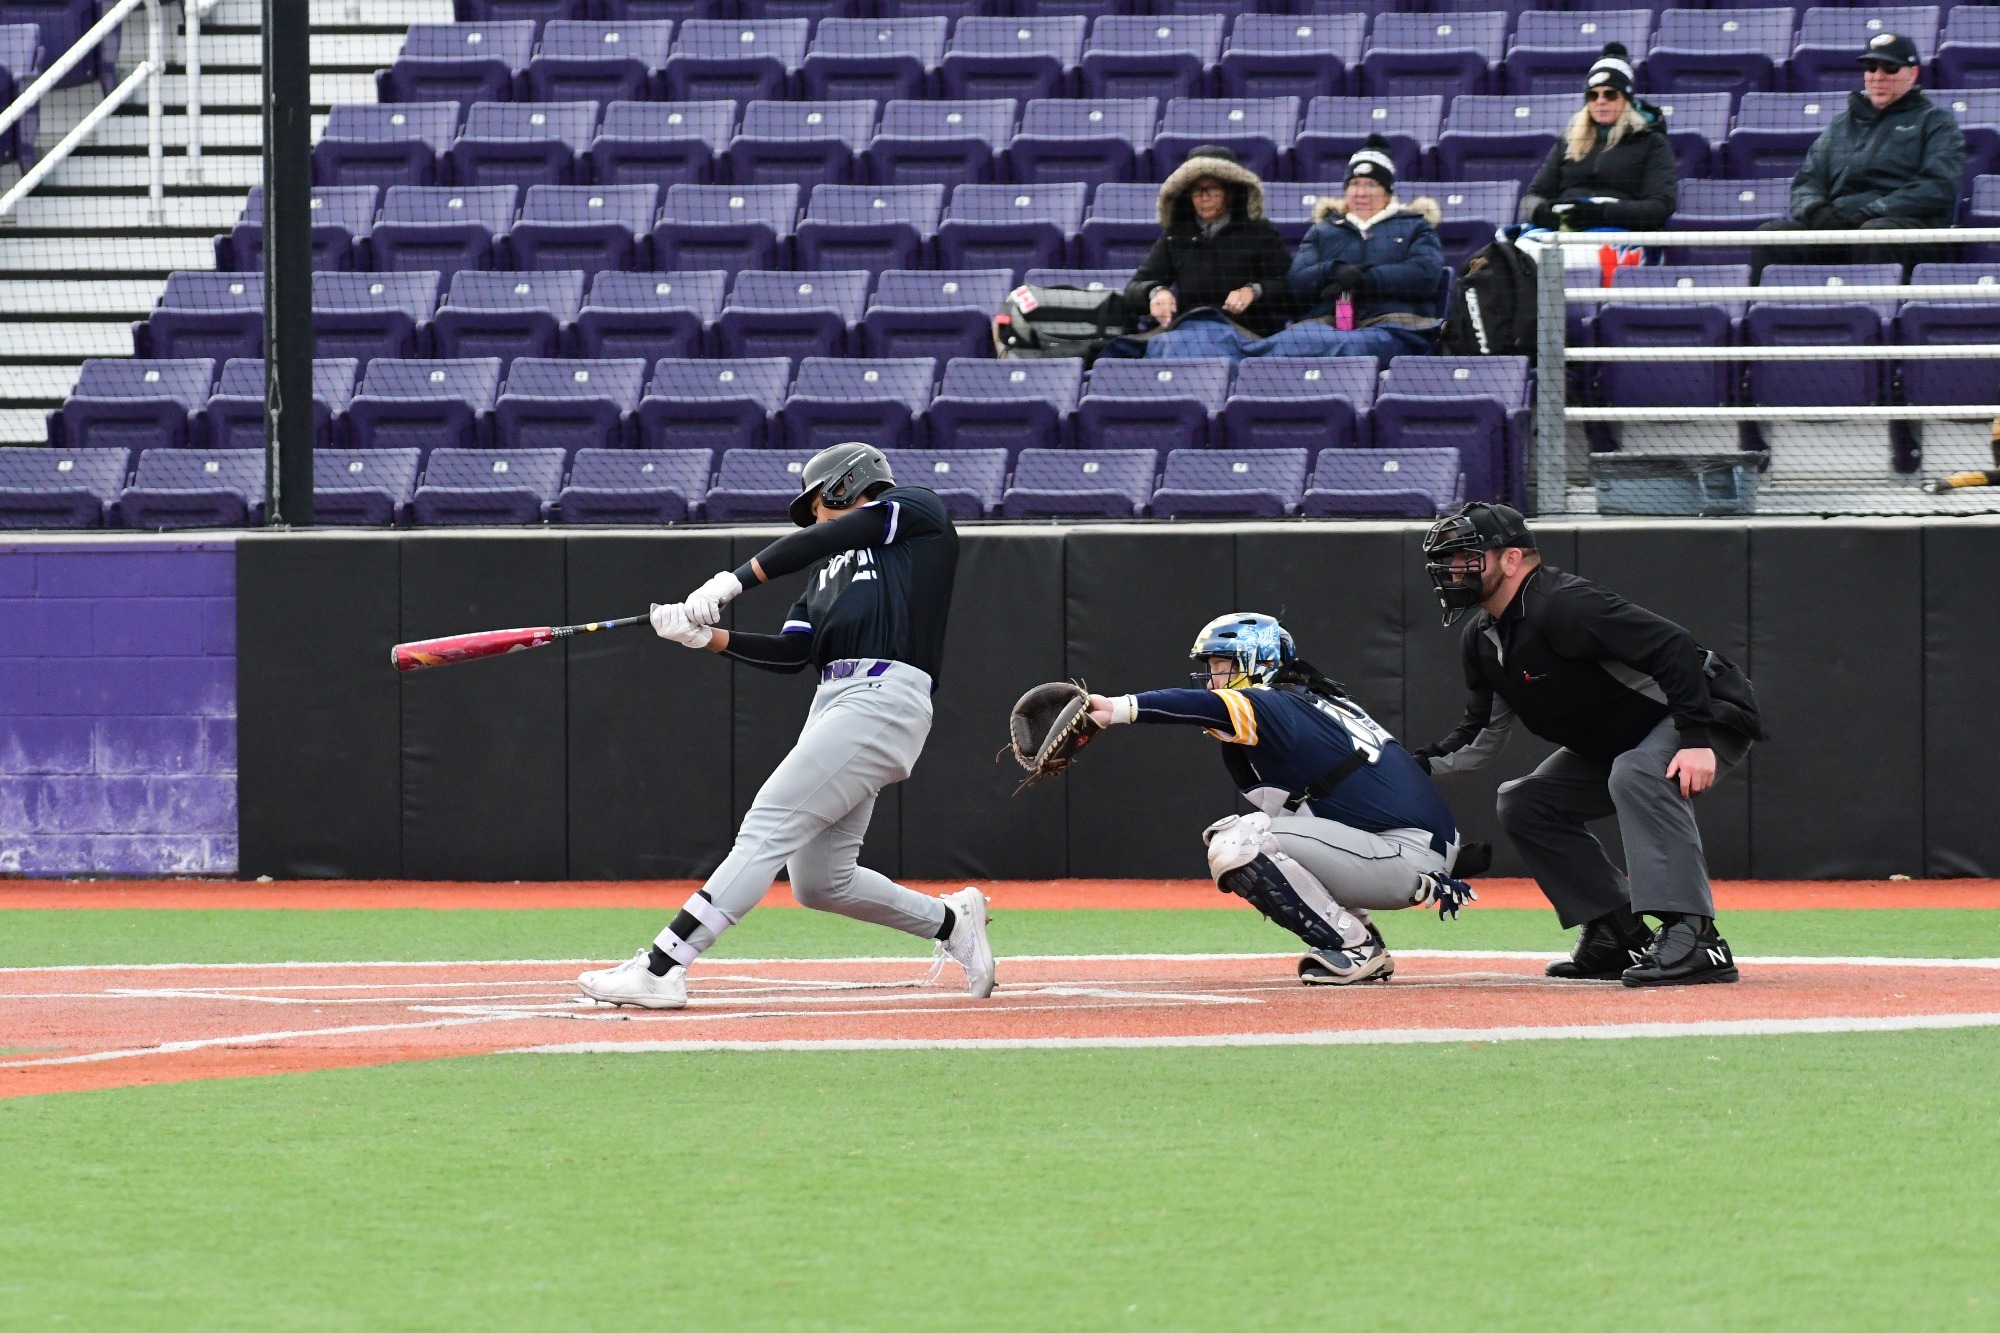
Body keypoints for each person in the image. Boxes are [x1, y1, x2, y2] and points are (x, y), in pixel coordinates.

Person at [577, 442, 995, 1009]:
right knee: (821, 881)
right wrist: (703, 638)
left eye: (819, 503)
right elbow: (791, 652)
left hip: (884, 695)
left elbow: (821, 538)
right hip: (833, 701)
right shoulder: (824, 579)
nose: (815, 517)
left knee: (768, 823)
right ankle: (951, 923)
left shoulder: (915, 513)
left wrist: (733, 582)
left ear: (847, 486)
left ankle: (663, 964)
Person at [1412, 503, 1763, 988]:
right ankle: (1615, 929)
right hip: (1625, 741)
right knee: (1524, 802)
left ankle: (1696, 937)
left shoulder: (1564, 604)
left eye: (1465, 557)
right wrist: (1406, 768)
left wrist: (1698, 739)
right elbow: (1480, 733)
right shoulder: (1481, 638)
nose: (1452, 570)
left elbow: (1674, 647)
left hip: (1705, 713)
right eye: (1448, 560)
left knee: (1637, 773)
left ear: (1512, 559)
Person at [1083, 613, 1477, 986]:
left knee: (1239, 841)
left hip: (1405, 855)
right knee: (1268, 834)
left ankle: (1353, 946)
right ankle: (1359, 933)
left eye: (1221, 666)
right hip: (1400, 851)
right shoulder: (1300, 704)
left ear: (1255, 662)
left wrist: (1115, 709)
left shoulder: (1277, 704)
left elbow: (1201, 707)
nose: (1211, 680)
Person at [1754, 32, 1966, 272]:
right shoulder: (1842, 124)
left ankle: (1874, 308)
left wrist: (1871, 211)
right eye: (1871, 67)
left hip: (1903, 229)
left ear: (1913, 73)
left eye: (1890, 68)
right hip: (1838, 228)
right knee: (1773, 235)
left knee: (1876, 233)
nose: (1878, 77)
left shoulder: (1936, 122)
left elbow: (1937, 187)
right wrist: (1817, 211)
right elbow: (1806, 182)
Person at [1282, 135, 1446, 363]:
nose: (1361, 193)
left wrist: (1365, 279)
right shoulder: (1322, 231)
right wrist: (1331, 271)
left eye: (1371, 184)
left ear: (1388, 191)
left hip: (1394, 325)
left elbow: (1424, 274)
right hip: (1324, 326)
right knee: (1279, 348)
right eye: (1354, 184)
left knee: (1351, 349)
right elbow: (1296, 281)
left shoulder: (1416, 226)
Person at [1124, 145, 1295, 340]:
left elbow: (1287, 288)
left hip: (1246, 335)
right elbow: (1133, 288)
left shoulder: (1259, 232)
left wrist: (1253, 291)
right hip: (1189, 333)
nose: (1204, 197)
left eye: (1212, 189)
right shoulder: (1175, 236)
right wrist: (1155, 292)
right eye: (1197, 190)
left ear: (1230, 191)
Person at [1518, 44, 1677, 233]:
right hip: (1564, 230)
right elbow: (1532, 197)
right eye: (1593, 95)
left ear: (1626, 99)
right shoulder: (1568, 141)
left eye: (1610, 94)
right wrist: (1541, 213)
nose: (1601, 101)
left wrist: (1602, 213)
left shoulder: (1652, 143)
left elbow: (1661, 206)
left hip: (1620, 234)